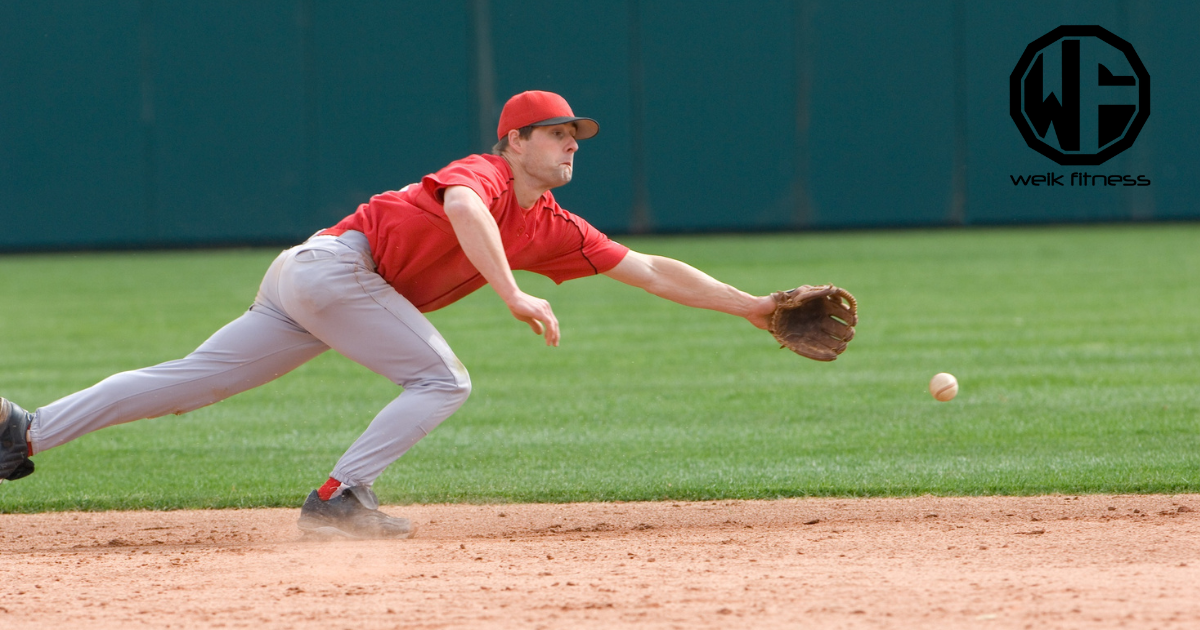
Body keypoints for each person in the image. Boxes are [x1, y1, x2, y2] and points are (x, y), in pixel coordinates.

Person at [1, 91, 778, 538]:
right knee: (442, 380)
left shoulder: (554, 225)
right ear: (513, 141)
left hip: (312, 283)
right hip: (338, 269)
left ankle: (23, 430)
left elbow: (650, 271)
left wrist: (756, 309)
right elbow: (468, 207)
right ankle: (339, 499)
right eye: (555, 134)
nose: (571, 145)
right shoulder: (487, 177)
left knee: (188, 383)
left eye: (576, 136)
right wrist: (510, 292)